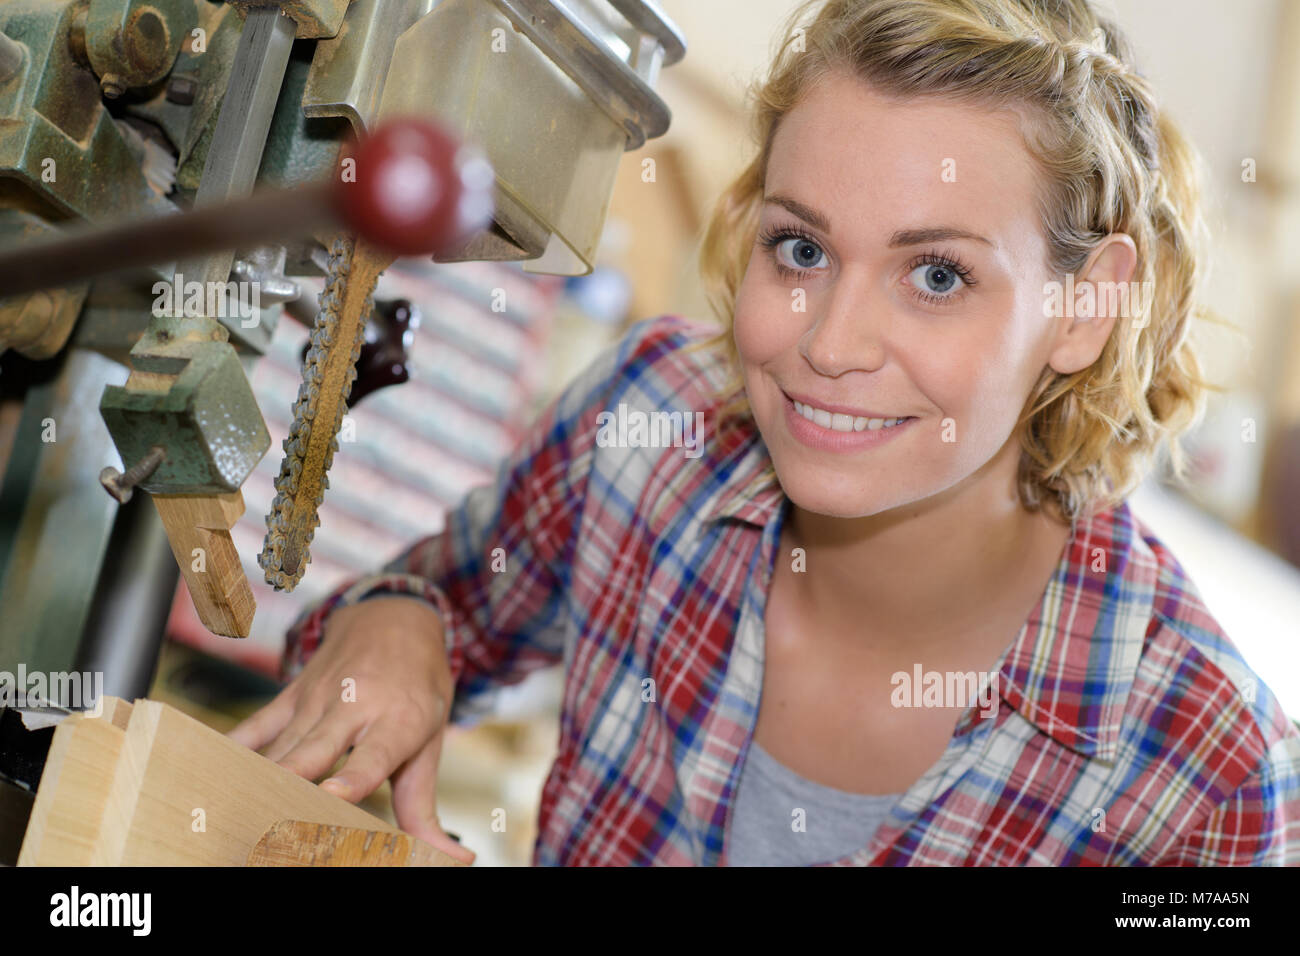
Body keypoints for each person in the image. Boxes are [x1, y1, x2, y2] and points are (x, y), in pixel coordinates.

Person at [228, 0, 1300, 865]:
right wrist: (405, 624)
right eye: (800, 250)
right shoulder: (648, 427)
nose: (831, 344)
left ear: (1082, 308)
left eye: (937, 275)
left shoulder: (1211, 782)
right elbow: (425, 611)